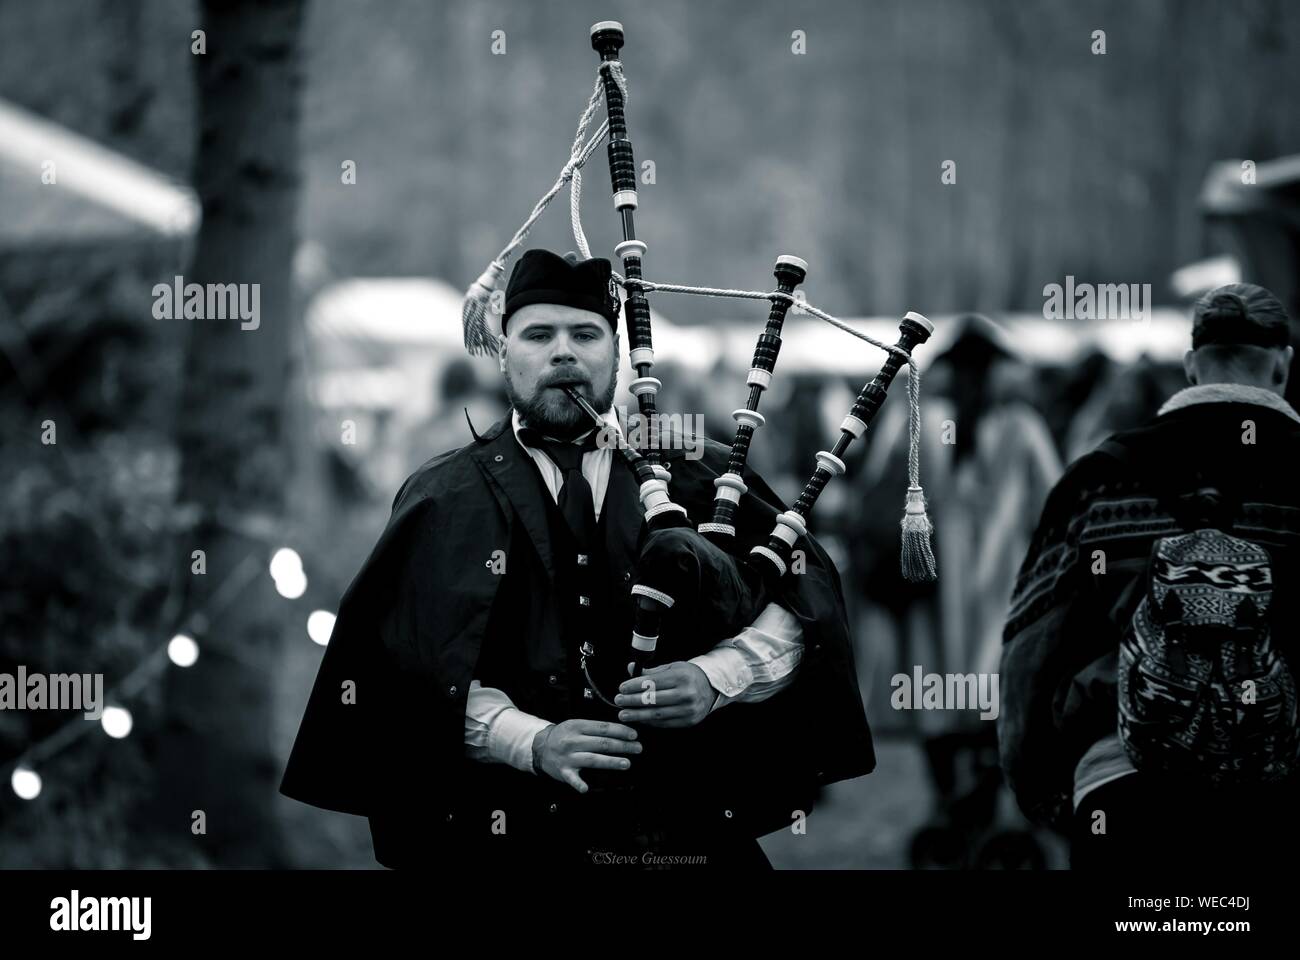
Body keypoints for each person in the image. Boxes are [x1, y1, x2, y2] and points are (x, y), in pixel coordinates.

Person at [280, 249, 874, 869]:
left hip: (682, 832)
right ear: (503, 352)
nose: (563, 352)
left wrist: (717, 677)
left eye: (585, 334)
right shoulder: (442, 498)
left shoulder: (700, 473)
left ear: (615, 353)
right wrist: (531, 741)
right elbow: (403, 671)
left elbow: (801, 603)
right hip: (502, 840)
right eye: (538, 334)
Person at [999, 283, 1300, 869]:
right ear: (1284, 365)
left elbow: (1031, 647)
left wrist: (1043, 790)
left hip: (1124, 786)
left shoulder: (1097, 476)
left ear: (1191, 367)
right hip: (1279, 794)